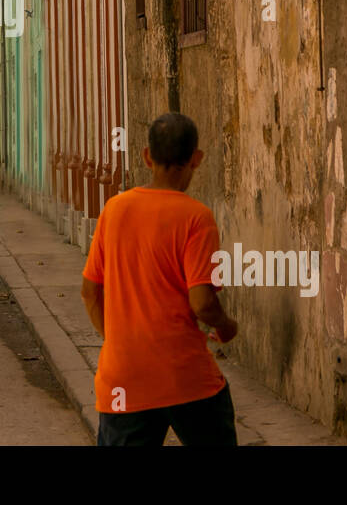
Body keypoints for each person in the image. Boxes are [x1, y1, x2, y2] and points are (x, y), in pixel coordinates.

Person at [80, 112, 239, 446]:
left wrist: (119, 340)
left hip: (123, 379)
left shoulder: (114, 210)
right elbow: (202, 302)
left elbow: (90, 291)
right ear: (197, 159)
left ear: (147, 156)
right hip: (185, 378)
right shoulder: (196, 218)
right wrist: (226, 326)